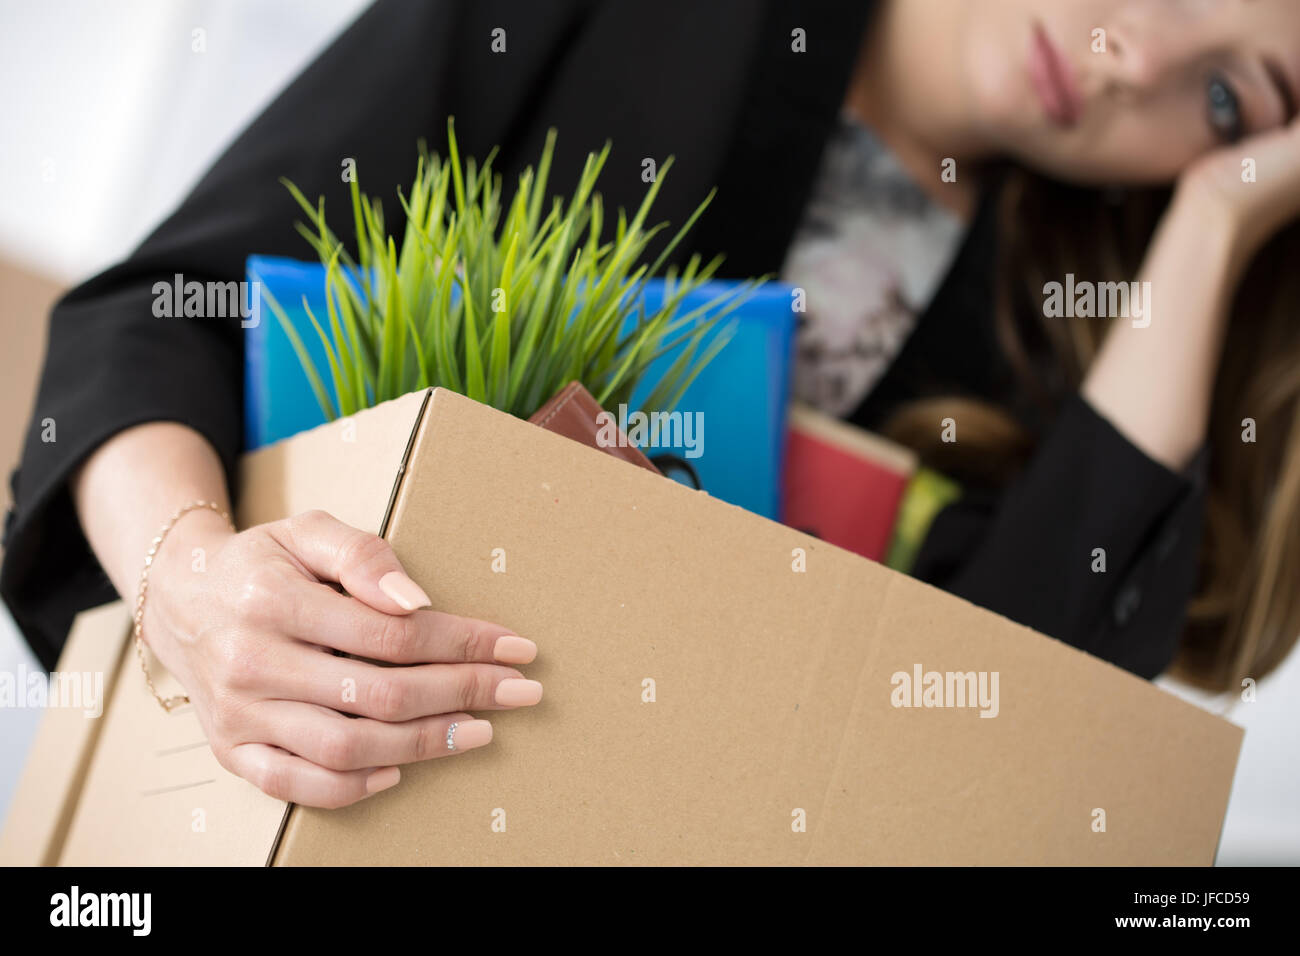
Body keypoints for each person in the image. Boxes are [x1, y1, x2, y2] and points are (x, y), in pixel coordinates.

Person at [4, 0, 1299, 808]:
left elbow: (989, 742)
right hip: (310, 789)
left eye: (1231, 99)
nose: (1140, 54)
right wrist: (192, 582)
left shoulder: (1056, 323)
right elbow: (161, 309)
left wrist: (1216, 223)